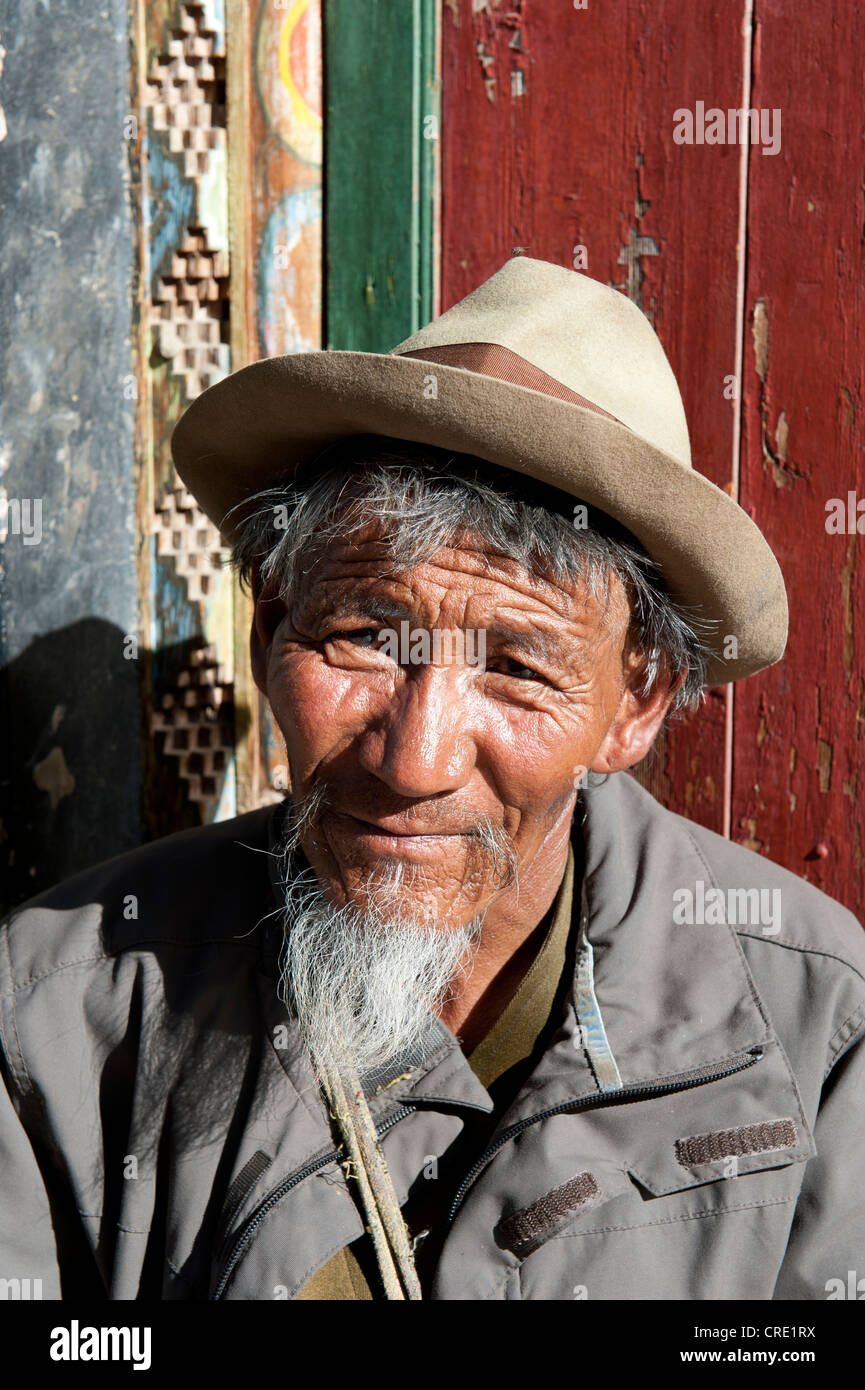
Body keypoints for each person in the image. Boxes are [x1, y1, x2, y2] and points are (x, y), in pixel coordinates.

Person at [2, 258, 862, 1300]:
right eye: (365, 638)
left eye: (515, 667)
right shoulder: (56, 1013)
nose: (416, 760)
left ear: (634, 706)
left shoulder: (815, 1022)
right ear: (273, 633)